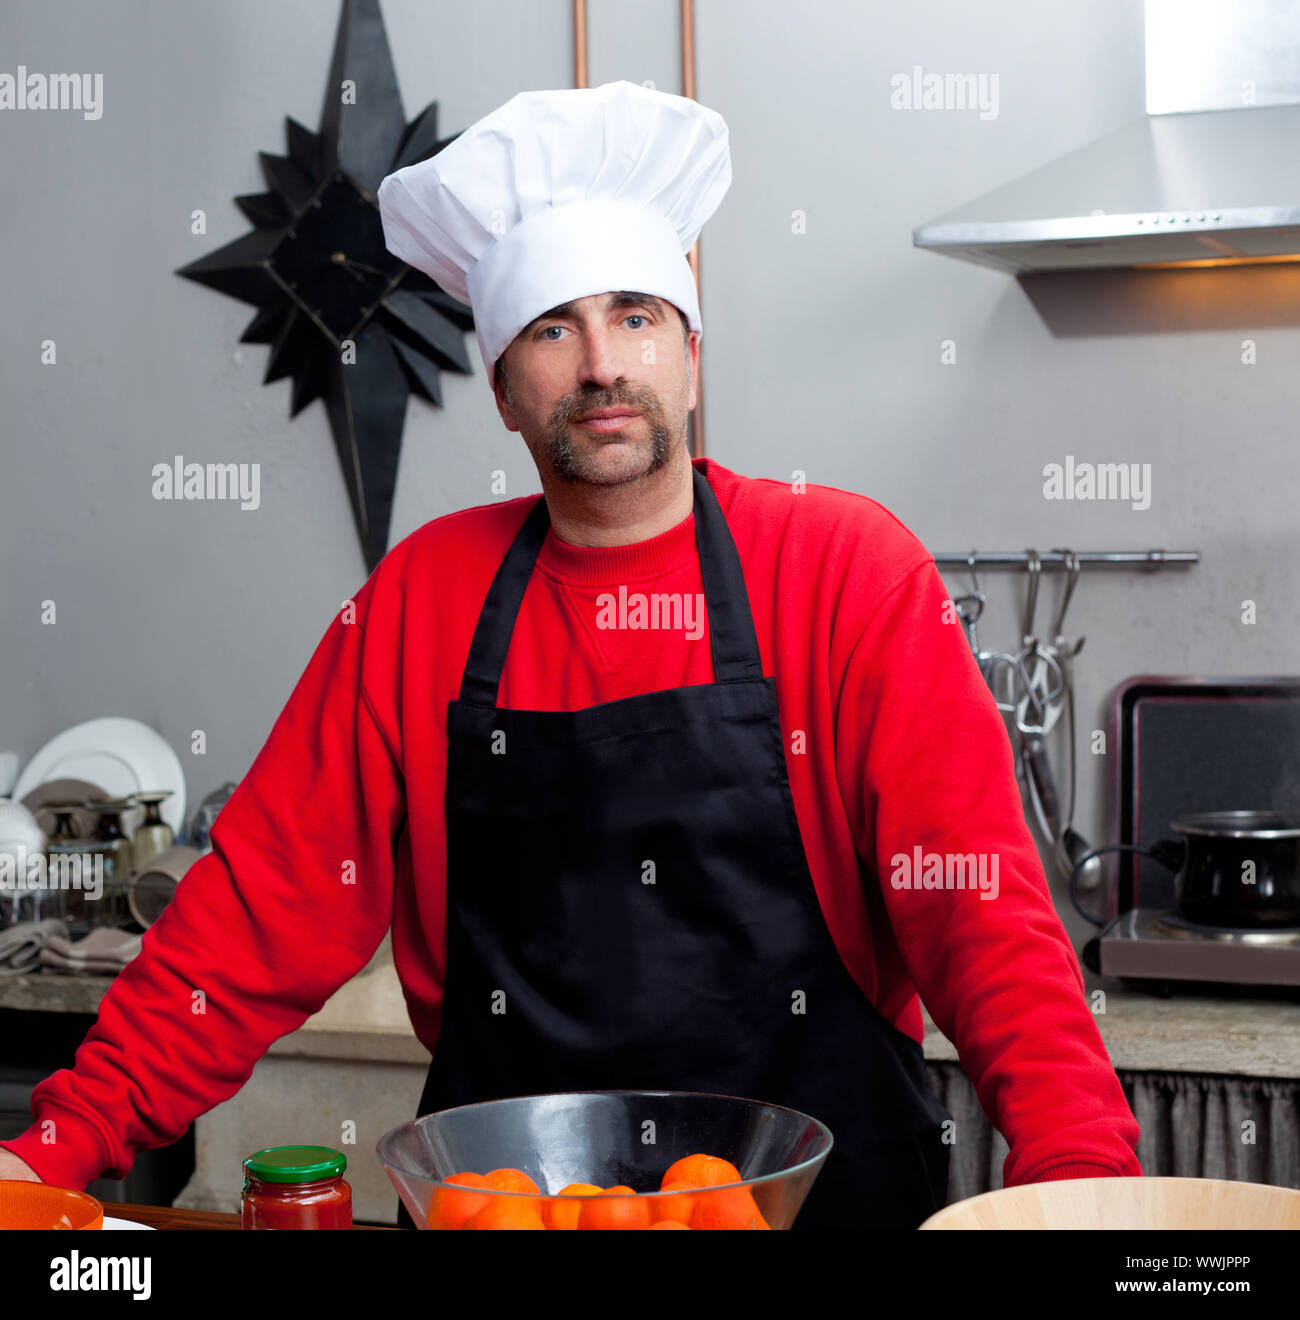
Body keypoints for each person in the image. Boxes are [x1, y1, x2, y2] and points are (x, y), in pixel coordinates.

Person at [0, 81, 1140, 1229]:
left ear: (690, 358)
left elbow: (981, 917)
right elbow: (255, 912)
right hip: (504, 1214)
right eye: (551, 327)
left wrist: (1084, 1178)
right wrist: (57, 1145)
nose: (601, 363)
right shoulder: (421, 602)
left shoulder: (844, 569)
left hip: (823, 1210)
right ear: (502, 388)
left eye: (636, 315)